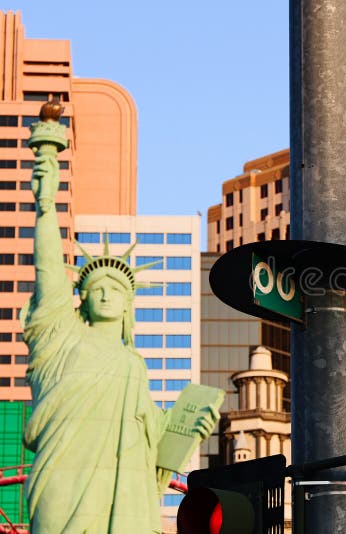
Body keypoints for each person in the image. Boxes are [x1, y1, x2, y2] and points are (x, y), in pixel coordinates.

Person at [22, 106, 219, 533]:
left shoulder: (134, 366)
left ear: (130, 305)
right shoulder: (59, 338)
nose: (107, 293)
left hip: (125, 493)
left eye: (117, 288)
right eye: (96, 288)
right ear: (82, 300)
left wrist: (189, 425)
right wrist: (44, 203)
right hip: (62, 475)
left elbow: (152, 442)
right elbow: (50, 272)